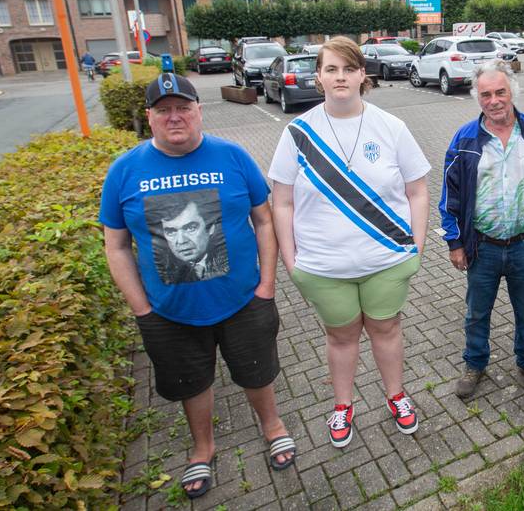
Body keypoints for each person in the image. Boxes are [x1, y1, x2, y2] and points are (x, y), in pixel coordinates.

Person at [100, 72, 295, 500]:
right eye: (163, 110)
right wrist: (141, 310)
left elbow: (264, 220)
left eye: (183, 107)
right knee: (192, 383)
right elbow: (116, 246)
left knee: (257, 372)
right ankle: (202, 448)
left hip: (243, 300)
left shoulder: (233, 157)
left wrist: (267, 285)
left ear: (198, 112)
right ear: (148, 117)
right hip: (168, 312)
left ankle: (273, 426)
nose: (175, 117)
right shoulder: (124, 171)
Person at [269, 36, 430, 449]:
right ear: (319, 77)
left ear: (363, 75)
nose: (340, 77)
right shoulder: (298, 133)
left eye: (349, 68)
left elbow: (418, 191)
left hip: (387, 261)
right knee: (341, 338)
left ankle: (396, 395)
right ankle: (343, 405)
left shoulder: (391, 127)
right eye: (331, 69)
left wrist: (416, 248)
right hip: (324, 268)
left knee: (386, 329)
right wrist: (292, 262)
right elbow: (282, 202)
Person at [440, 59, 524, 399]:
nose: (494, 100)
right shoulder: (465, 140)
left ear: (512, 91)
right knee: (476, 312)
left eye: (500, 92)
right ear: (477, 97)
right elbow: (450, 196)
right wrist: (455, 242)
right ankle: (475, 364)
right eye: (486, 94)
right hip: (481, 247)